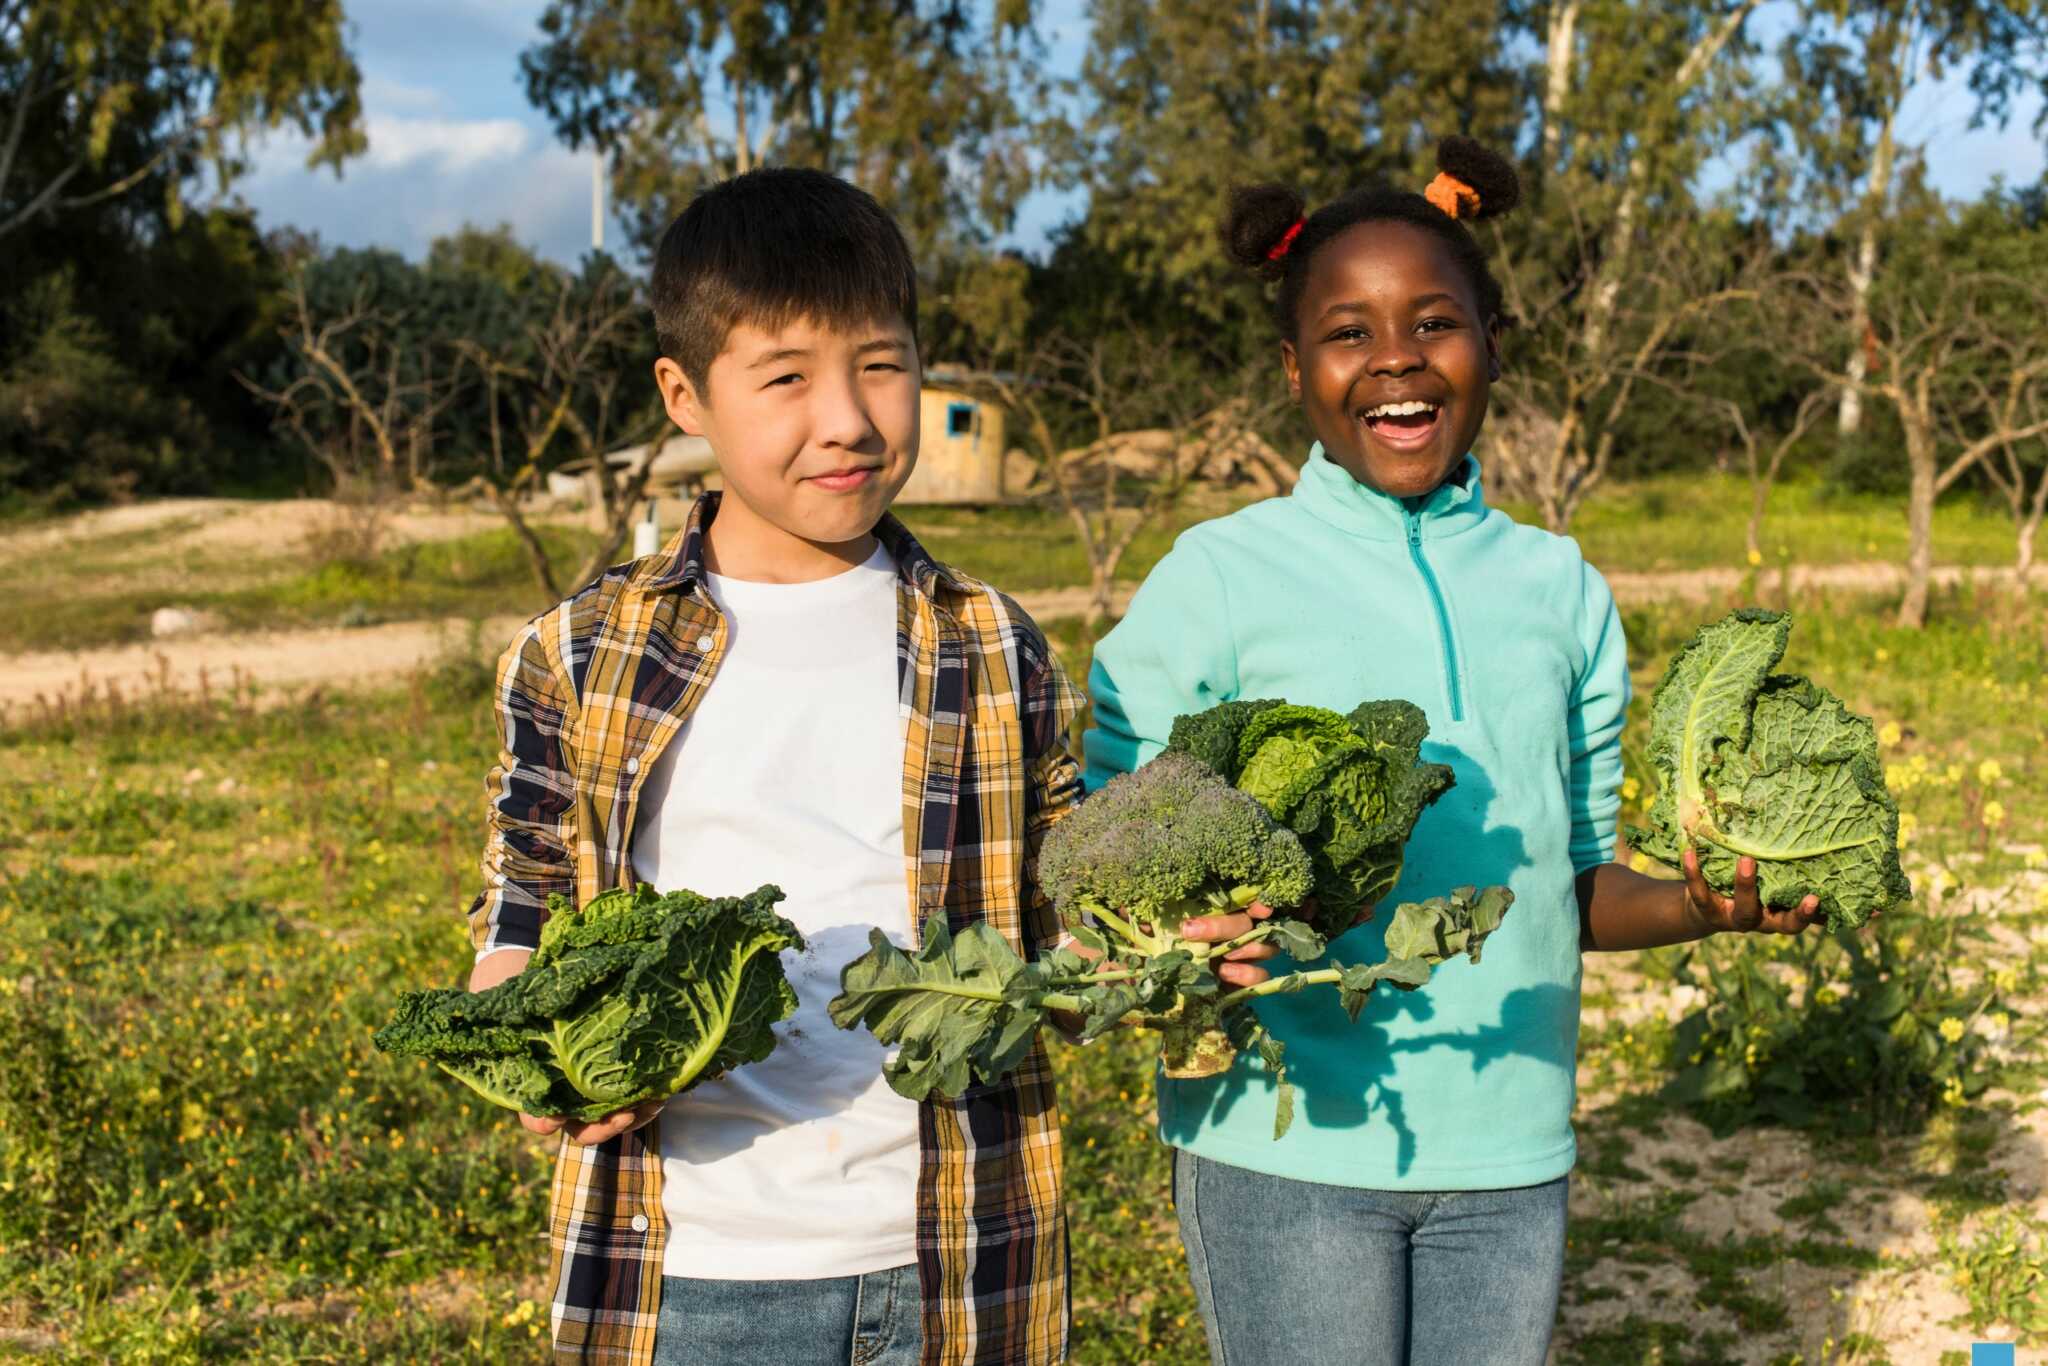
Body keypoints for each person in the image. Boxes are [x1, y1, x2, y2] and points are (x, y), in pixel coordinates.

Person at [1082, 137, 1828, 1366]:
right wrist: (1177, 942)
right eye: (1346, 331)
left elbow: (1577, 878)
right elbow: (1110, 829)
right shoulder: (1217, 575)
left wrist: (1702, 904)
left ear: (1490, 340)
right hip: (1283, 1146)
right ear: (1290, 368)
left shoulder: (1563, 589)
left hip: (1510, 1145)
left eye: (1432, 322)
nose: (1392, 360)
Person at [464, 166, 1085, 1366]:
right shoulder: (580, 653)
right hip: (691, 1271)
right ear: (684, 393)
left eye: (881, 363)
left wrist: (1166, 933)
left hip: (961, 1253)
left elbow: (1063, 901)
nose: (847, 418)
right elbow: (525, 894)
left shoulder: (994, 644)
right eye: (786, 376)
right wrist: (525, 1033)